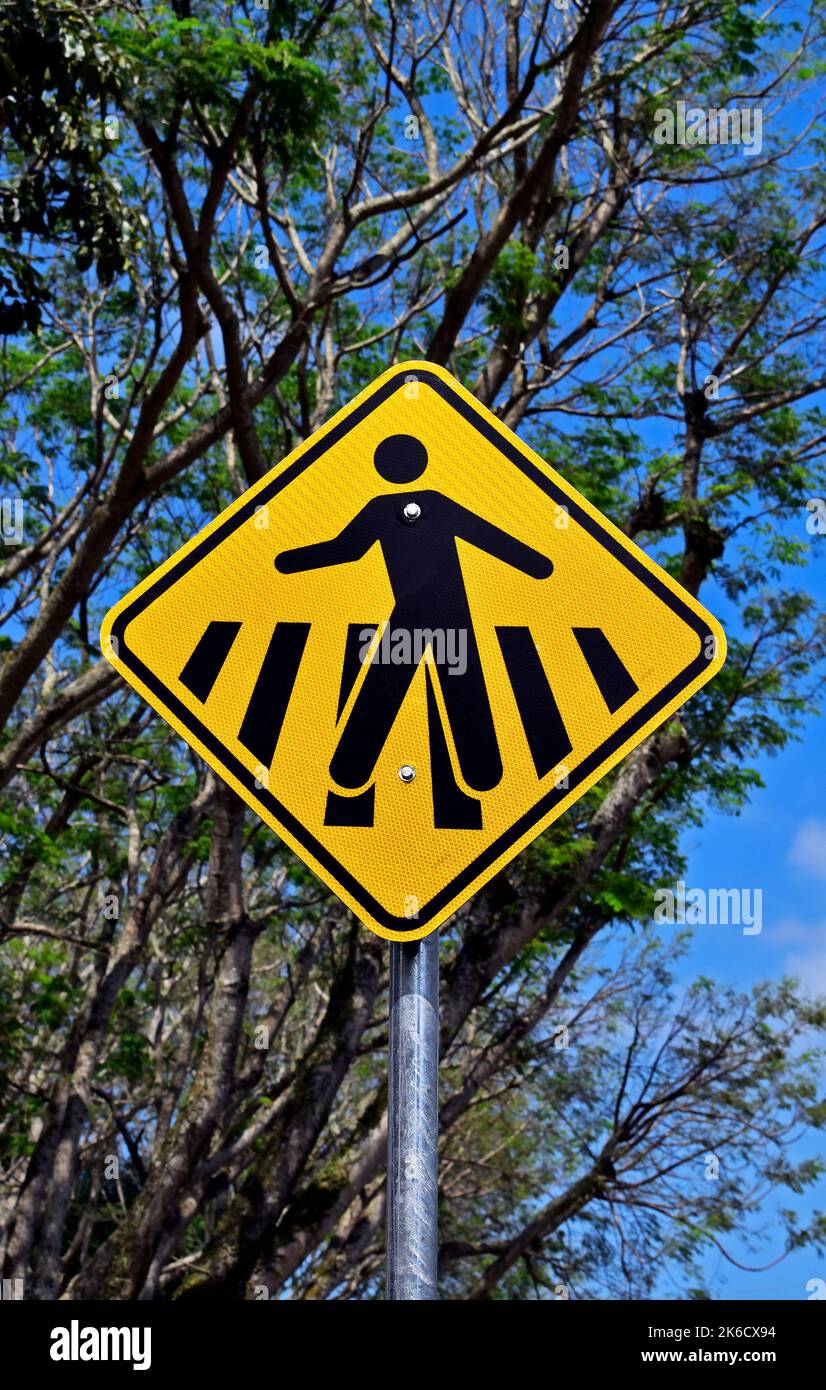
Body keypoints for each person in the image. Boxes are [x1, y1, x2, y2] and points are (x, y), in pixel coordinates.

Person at [275, 433, 553, 796]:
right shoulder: (407, 506)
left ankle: (357, 772)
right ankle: (475, 774)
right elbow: (350, 549)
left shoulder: (394, 507)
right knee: (432, 685)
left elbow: (346, 549)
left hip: (426, 611)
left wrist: (539, 566)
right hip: (436, 611)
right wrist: (285, 562)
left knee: (423, 685)